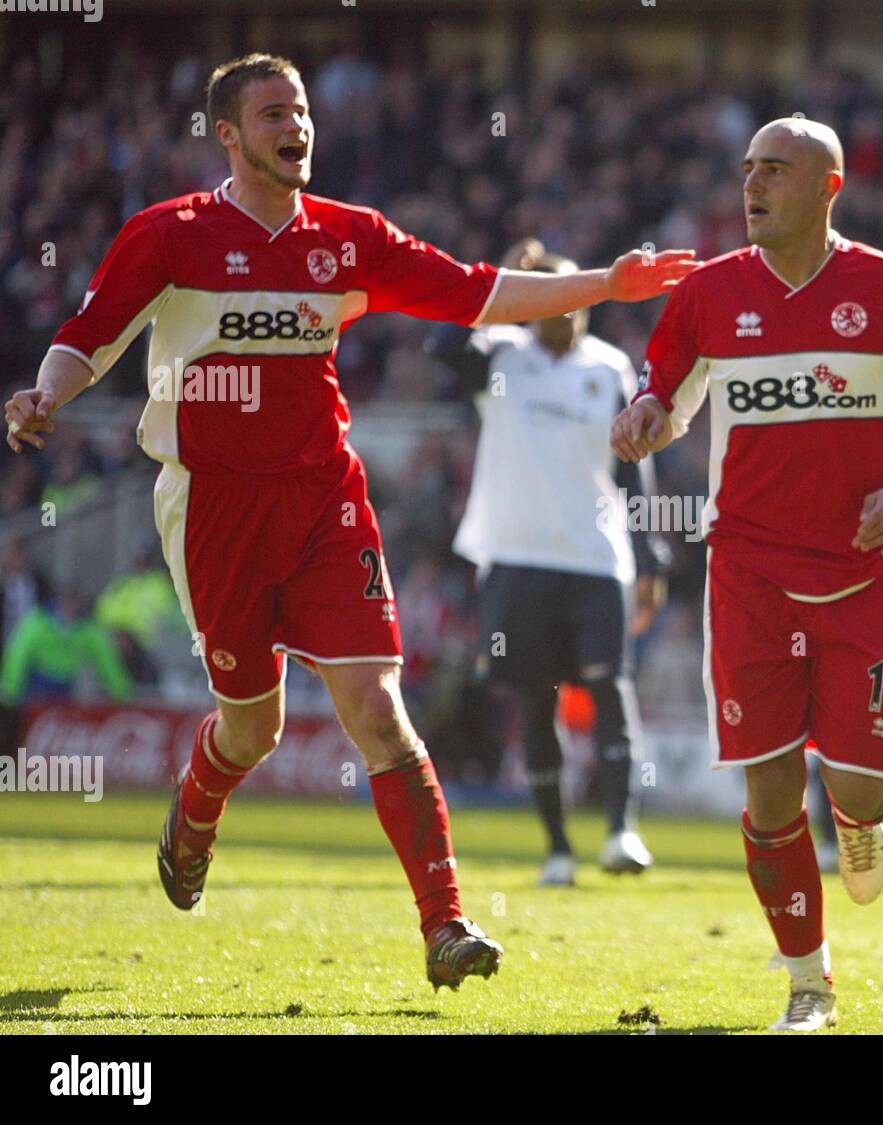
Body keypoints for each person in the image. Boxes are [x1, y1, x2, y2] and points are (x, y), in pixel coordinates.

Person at [4, 52, 695, 995]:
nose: (298, 126)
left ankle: (444, 923)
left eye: (302, 110)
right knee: (253, 729)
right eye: (275, 112)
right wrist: (42, 396)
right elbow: (87, 338)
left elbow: (479, 290)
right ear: (230, 136)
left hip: (326, 499)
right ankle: (196, 808)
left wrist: (605, 286)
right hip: (213, 505)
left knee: (376, 709)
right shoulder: (170, 235)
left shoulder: (349, 237)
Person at [611, 117, 883, 1030]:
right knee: (770, 789)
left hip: (860, 571)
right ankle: (808, 983)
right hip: (748, 574)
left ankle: (861, 817)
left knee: (856, 786)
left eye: (775, 169)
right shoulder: (707, 294)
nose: (753, 183)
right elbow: (666, 395)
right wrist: (646, 414)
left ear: (828, 185)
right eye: (746, 169)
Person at [434, 241, 670, 887]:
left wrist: (650, 554)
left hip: (598, 559)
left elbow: (634, 467)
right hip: (515, 557)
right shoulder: (504, 356)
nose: (555, 311)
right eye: (540, 298)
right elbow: (443, 347)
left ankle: (621, 830)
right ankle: (558, 847)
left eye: (564, 296)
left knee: (610, 691)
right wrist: (494, 286)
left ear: (586, 302)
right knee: (534, 705)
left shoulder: (611, 367)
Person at [0, 578, 133, 707]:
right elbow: (19, 654)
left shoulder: (87, 629)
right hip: (37, 681)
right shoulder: (39, 622)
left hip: (66, 684)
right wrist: (10, 688)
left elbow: (106, 660)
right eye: (68, 602)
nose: (72, 607)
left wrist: (121, 693)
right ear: (59, 601)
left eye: (75, 602)